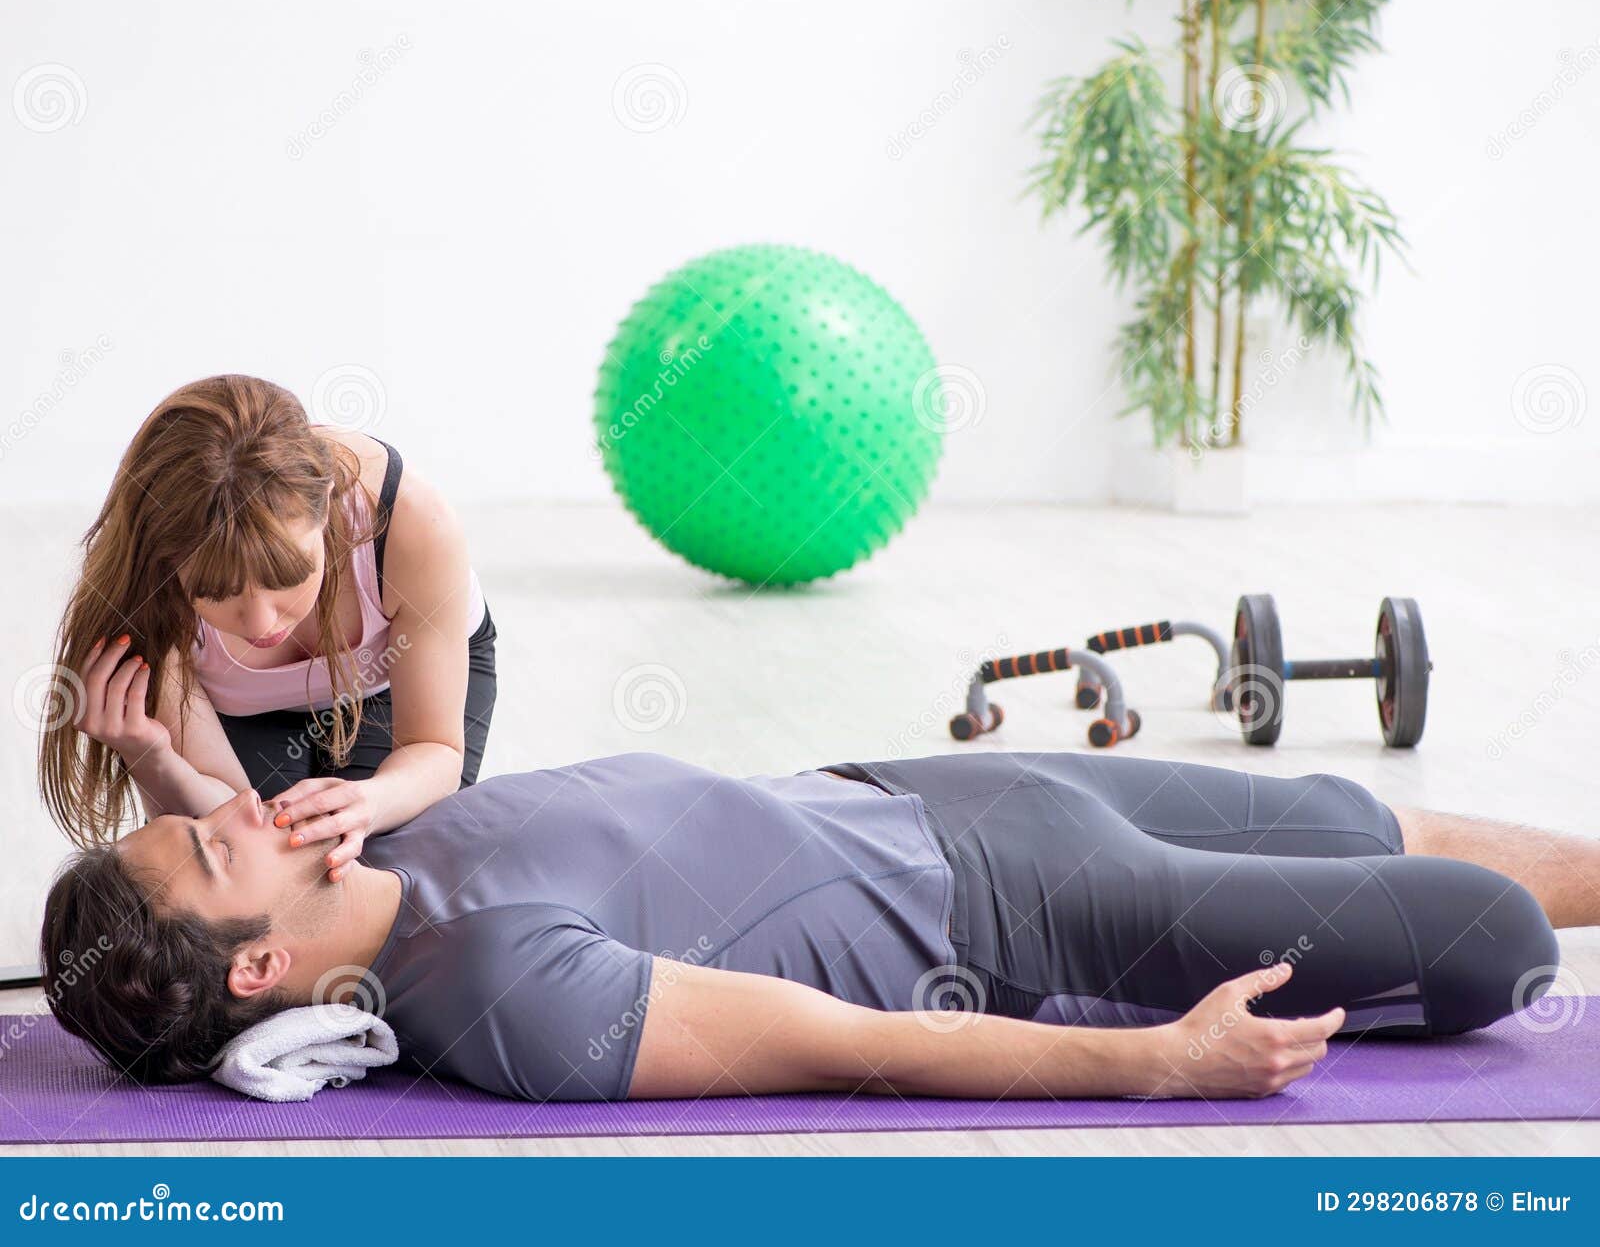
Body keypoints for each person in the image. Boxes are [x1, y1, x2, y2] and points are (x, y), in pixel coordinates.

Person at [42, 751, 1580, 1103]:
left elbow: (211, 891)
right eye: (205, 836)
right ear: (257, 965)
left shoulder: (366, 837)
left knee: (1354, 817)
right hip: (1030, 916)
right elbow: (859, 1044)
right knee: (1492, 935)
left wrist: (187, 810)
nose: (237, 802)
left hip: (925, 781)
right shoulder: (497, 987)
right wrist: (1155, 1067)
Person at [38, 374, 497, 879]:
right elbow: (234, 824)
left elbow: (434, 750)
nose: (261, 625)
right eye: (216, 593)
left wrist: (370, 801)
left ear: (327, 507)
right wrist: (153, 757)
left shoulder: (412, 521)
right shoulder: (149, 590)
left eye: (289, 576)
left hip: (391, 686)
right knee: (266, 879)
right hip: (243, 712)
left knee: (376, 874)